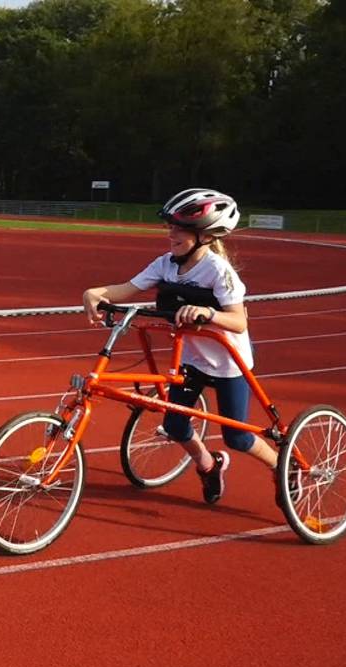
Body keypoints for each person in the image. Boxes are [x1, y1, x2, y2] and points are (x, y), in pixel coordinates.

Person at [81, 188, 285, 505]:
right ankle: (207, 464)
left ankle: (281, 467)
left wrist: (208, 313)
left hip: (229, 362)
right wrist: (95, 292)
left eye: (179, 228)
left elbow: (238, 321)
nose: (170, 233)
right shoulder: (165, 264)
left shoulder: (219, 271)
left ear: (204, 235)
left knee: (237, 436)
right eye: (170, 226)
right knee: (174, 424)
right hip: (192, 359)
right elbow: (126, 289)